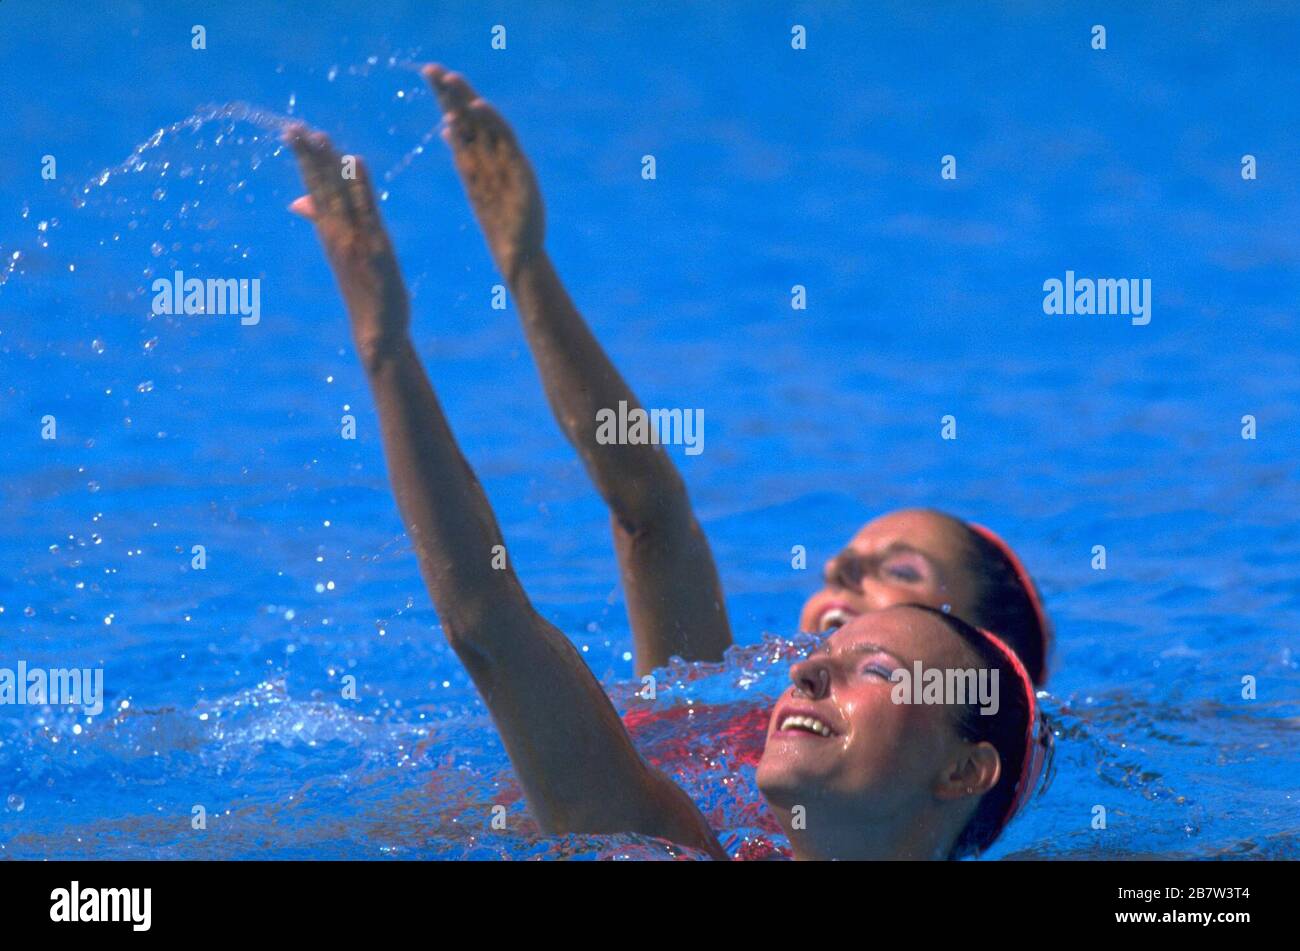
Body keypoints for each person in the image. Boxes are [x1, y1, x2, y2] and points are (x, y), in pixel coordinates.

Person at [280, 66, 1046, 858]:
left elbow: (495, 629)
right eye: (820, 659)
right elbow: (637, 526)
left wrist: (388, 349)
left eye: (879, 667)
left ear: (965, 766)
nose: (806, 672)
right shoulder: (702, 742)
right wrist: (509, 276)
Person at [415, 64, 1052, 684]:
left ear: (987, 662)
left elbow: (640, 523)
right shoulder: (709, 707)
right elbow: (646, 510)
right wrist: (524, 266)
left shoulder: (966, 754)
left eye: (902, 572)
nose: (839, 569)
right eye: (839, 567)